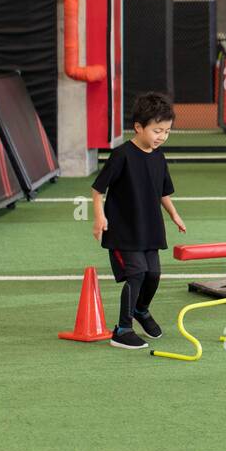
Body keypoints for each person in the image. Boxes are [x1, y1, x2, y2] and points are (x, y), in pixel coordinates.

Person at [91, 92, 185, 350]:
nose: (162, 137)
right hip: (124, 230)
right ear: (138, 127)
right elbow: (98, 189)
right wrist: (99, 217)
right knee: (137, 273)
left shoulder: (158, 156)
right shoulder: (122, 155)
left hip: (150, 229)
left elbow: (163, 191)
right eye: (157, 131)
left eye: (166, 131)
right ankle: (122, 329)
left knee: (153, 274)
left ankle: (141, 310)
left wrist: (174, 214)